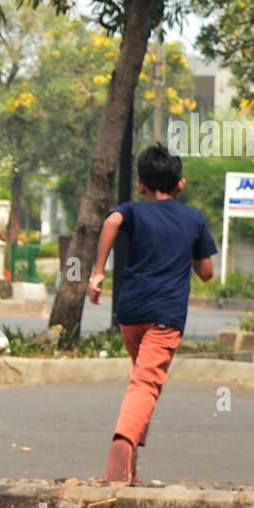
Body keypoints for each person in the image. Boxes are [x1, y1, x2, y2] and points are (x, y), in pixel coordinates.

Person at [88, 143, 216, 484]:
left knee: (141, 383)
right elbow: (206, 272)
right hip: (166, 317)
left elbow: (112, 219)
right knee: (145, 383)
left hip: (130, 314)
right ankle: (123, 442)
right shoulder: (194, 219)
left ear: (142, 185)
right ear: (181, 184)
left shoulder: (133, 211)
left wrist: (98, 271)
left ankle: (130, 469)